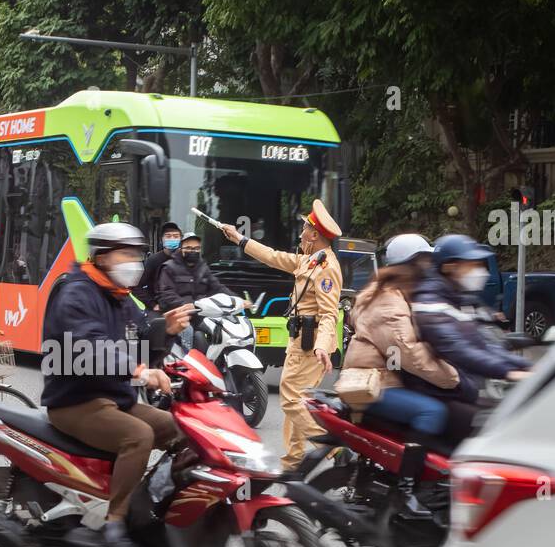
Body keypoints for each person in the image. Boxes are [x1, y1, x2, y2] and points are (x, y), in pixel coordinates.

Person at [42, 222, 193, 547]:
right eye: (128, 254)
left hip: (115, 399)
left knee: (185, 429)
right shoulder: (76, 293)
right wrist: (139, 371)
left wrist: (165, 330)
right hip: (76, 400)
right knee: (137, 436)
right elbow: (88, 347)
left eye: (138, 255)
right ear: (103, 257)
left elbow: (139, 342)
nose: (135, 262)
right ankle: (114, 522)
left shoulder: (119, 297)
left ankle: (154, 506)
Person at [339, 234, 461, 517]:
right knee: (431, 412)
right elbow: (409, 354)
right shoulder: (386, 302)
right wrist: (453, 378)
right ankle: (405, 491)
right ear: (410, 264)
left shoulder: (399, 294)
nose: (430, 266)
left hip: (389, 377)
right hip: (375, 383)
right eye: (425, 261)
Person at [221, 199, 343, 473]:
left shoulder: (327, 268)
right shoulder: (311, 260)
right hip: (299, 340)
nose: (300, 234)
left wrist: (323, 346)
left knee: (290, 399)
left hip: (311, 346)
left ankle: (334, 448)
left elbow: (328, 314)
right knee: (296, 401)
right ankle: (293, 462)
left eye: (304, 229)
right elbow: (272, 256)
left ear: (314, 234)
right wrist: (240, 239)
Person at [405, 234, 533, 441]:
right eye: (472, 265)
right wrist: (508, 372)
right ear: (449, 267)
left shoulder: (457, 299)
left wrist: (526, 366)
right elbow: (459, 349)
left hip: (457, 388)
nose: (479, 271)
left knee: (510, 414)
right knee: (492, 426)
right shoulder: (429, 302)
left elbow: (482, 344)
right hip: (435, 389)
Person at [154, 231, 232, 350]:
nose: (193, 251)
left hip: (201, 314)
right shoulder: (169, 267)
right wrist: (186, 306)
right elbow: (166, 293)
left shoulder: (202, 268)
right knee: (187, 332)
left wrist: (235, 299)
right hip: (178, 316)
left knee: (221, 330)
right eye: (189, 248)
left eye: (196, 248)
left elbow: (217, 287)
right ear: (181, 248)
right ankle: (185, 363)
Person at [135, 221, 181, 311]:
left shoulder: (186, 259)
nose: (172, 239)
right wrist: (152, 305)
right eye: (168, 236)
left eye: (176, 236)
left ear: (180, 239)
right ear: (162, 239)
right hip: (161, 311)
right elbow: (137, 286)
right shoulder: (153, 260)